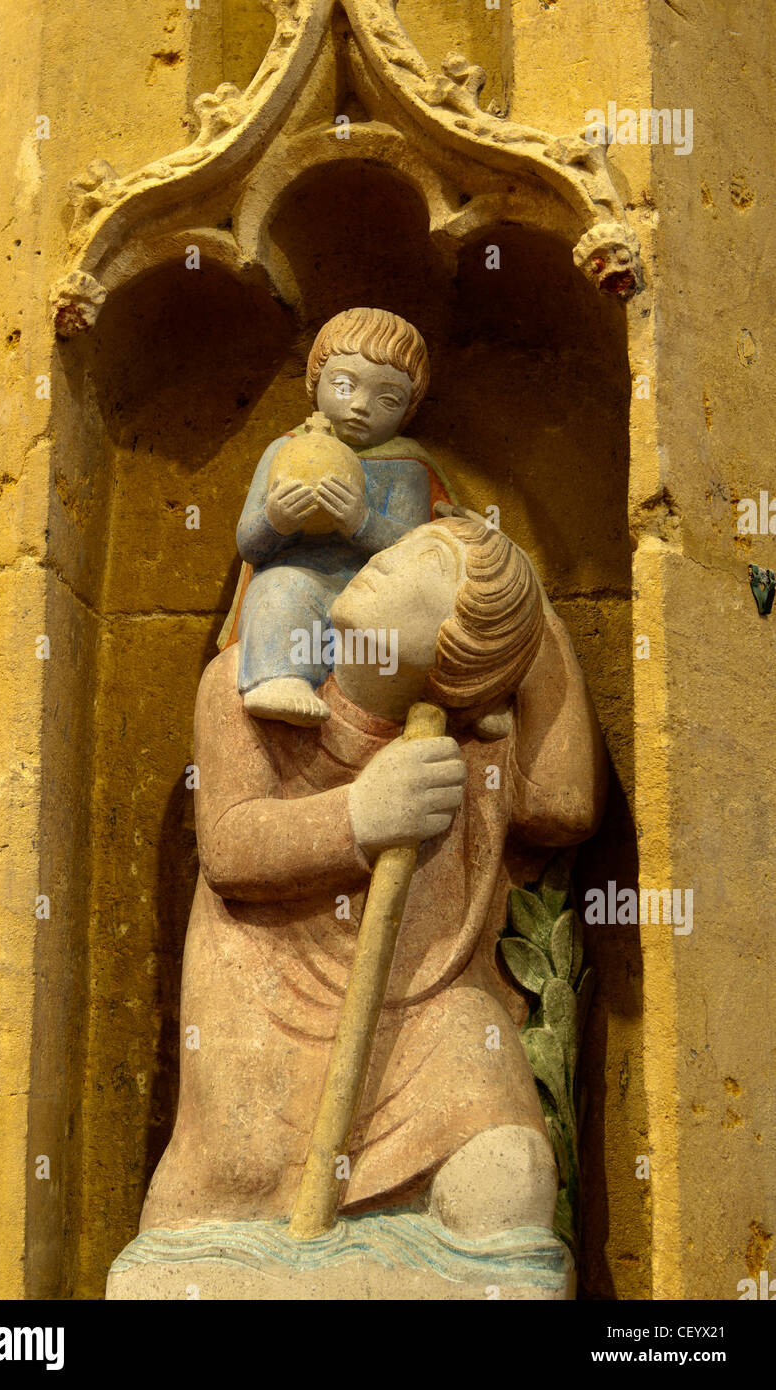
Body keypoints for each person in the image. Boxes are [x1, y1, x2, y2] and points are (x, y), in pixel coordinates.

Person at [140, 516, 607, 1241]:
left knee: (507, 1180)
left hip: (421, 1009)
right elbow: (230, 849)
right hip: (261, 995)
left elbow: (562, 807)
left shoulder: (468, 746)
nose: (385, 557)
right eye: (400, 544)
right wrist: (360, 815)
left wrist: (533, 622)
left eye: (428, 561)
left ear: (458, 648)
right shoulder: (251, 681)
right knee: (222, 1203)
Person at [235, 307, 442, 726]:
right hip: (301, 581)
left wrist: (362, 522)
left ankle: (458, 697)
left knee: (413, 629)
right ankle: (281, 678)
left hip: (373, 599)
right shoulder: (284, 451)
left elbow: (419, 559)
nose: (361, 407)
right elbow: (248, 545)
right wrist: (275, 519)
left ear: (407, 410)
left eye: (386, 398)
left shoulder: (405, 466)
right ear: (315, 385)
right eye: (345, 385)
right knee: (278, 586)